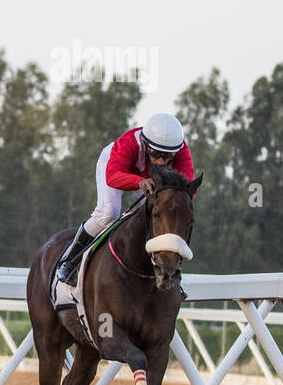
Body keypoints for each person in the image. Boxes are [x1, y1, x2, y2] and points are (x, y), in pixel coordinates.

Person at [55, 112, 195, 283]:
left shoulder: (181, 150)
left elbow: (186, 191)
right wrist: (139, 182)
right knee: (109, 213)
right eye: (155, 154)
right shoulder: (128, 142)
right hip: (116, 167)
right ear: (145, 143)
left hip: (150, 179)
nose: (160, 161)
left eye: (167, 156)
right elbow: (112, 177)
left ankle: (165, 271)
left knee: (162, 215)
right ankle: (70, 261)